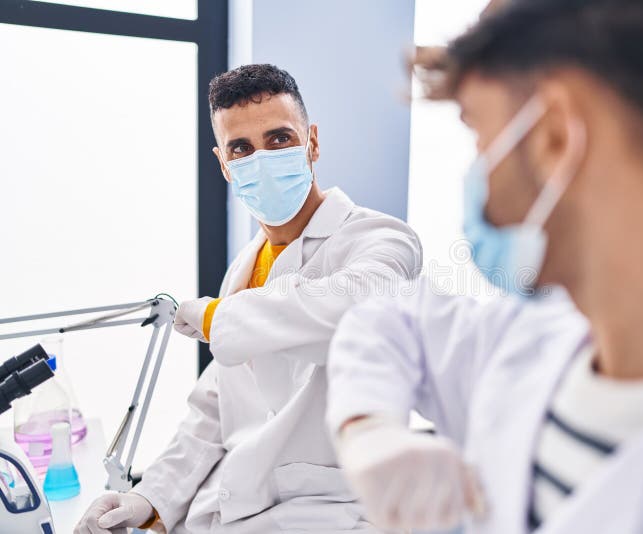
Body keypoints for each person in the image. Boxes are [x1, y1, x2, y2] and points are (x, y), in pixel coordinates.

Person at [325, 1, 643, 534]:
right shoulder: (544, 335)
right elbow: (389, 321)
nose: (479, 185)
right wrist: (368, 426)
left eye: (479, 134)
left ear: (555, 137)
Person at [75, 64, 422, 533]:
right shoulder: (244, 269)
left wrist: (217, 316)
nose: (261, 158)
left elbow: (350, 309)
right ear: (224, 164)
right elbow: (212, 413)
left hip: (336, 512)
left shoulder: (381, 239)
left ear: (311, 142)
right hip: (240, 508)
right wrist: (149, 501)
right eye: (242, 148)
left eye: (279, 138)